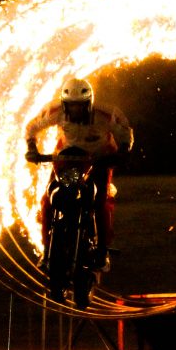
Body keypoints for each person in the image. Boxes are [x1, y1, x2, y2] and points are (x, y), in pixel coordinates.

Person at [25, 78, 133, 271]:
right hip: (67, 158)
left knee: (100, 201)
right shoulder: (55, 111)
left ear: (89, 103)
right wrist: (32, 148)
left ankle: (101, 251)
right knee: (48, 201)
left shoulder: (106, 115)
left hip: (99, 158)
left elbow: (125, 133)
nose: (75, 110)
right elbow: (32, 128)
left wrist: (122, 152)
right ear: (65, 104)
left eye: (80, 106)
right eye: (71, 106)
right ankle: (47, 250)